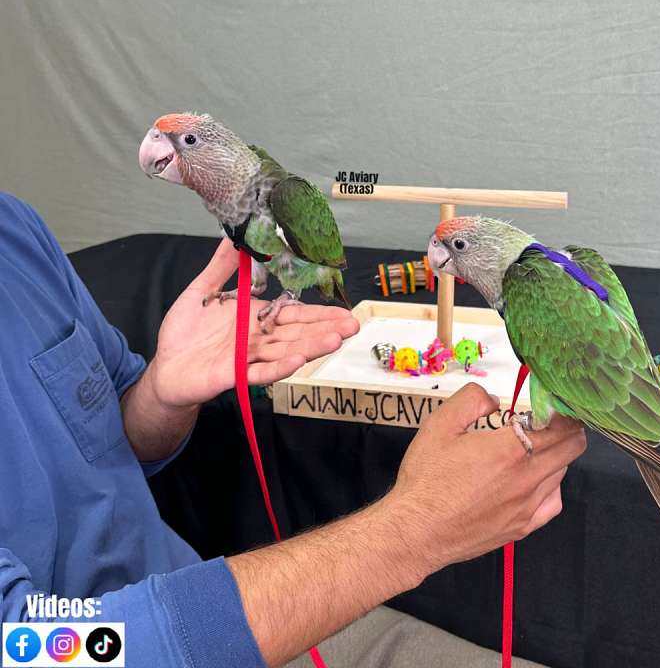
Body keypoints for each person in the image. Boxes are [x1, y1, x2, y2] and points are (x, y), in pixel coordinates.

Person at [0, 193, 586, 667]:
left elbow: (109, 446)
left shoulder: (15, 231)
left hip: (212, 600)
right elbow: (40, 649)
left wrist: (157, 394)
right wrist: (413, 532)